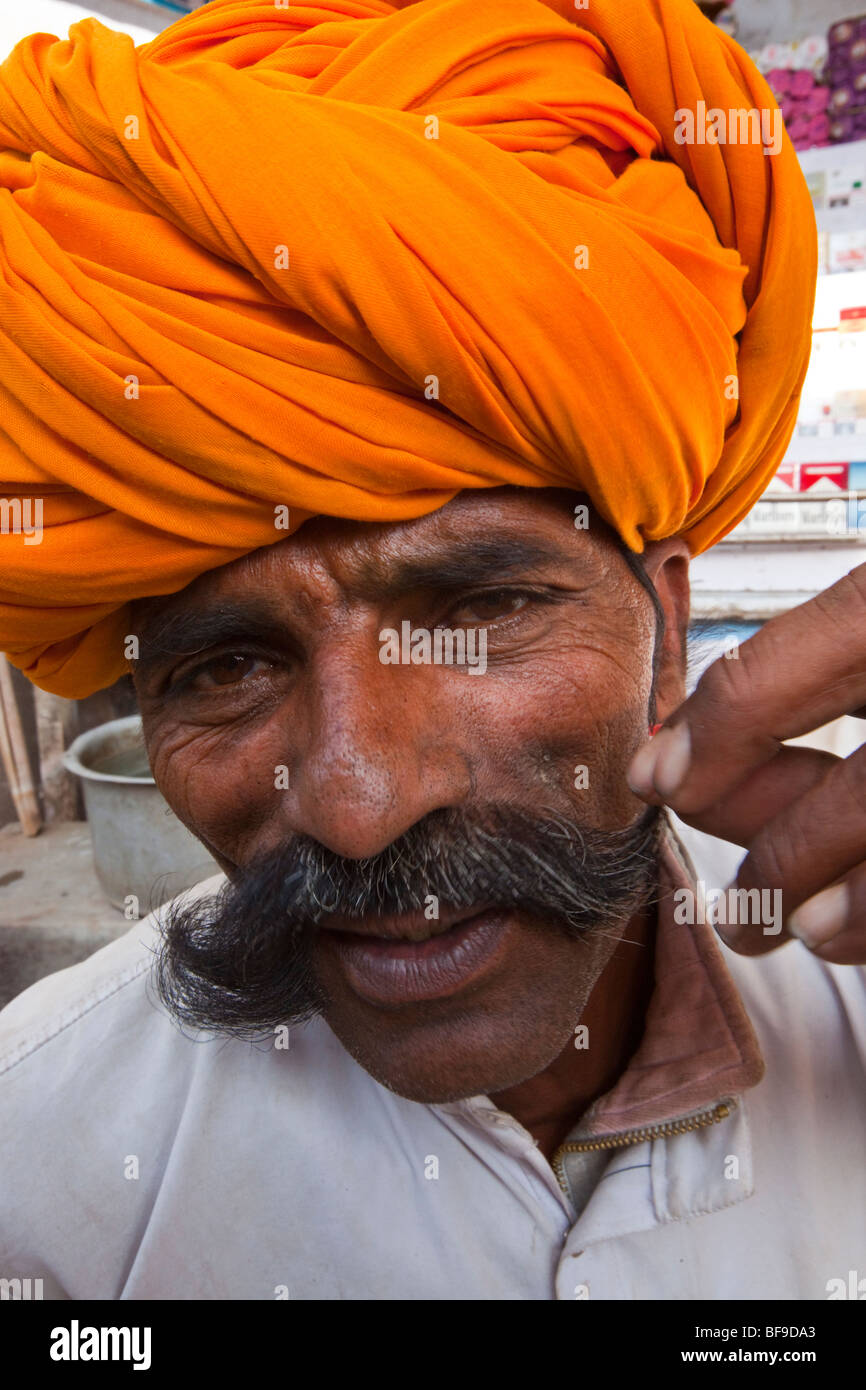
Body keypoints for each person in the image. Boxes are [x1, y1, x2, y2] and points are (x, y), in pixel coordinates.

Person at [0, 0, 863, 1300]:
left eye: (477, 612)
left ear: (669, 628)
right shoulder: (43, 1162)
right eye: (223, 666)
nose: (355, 804)